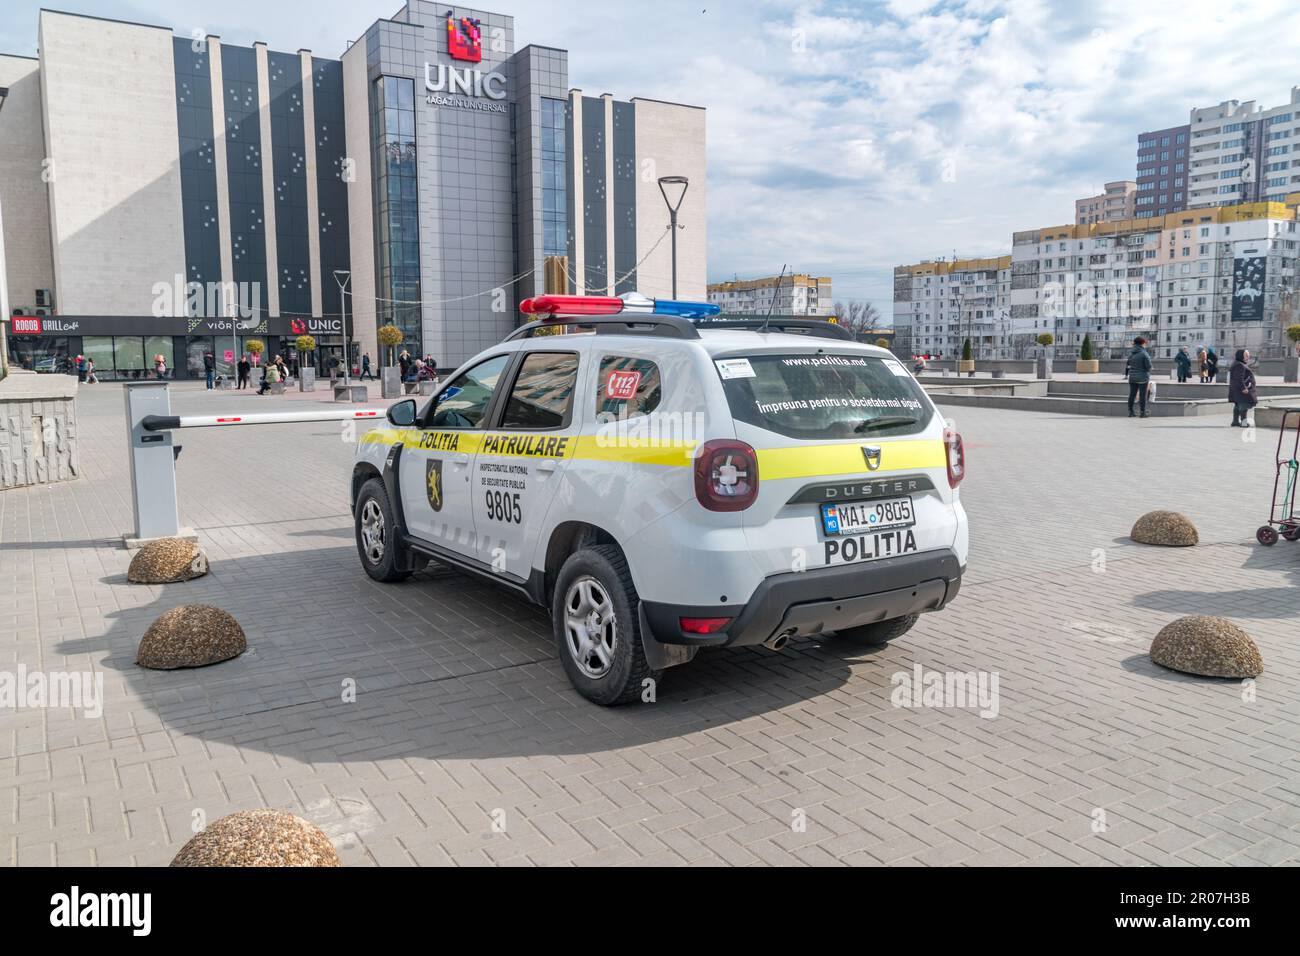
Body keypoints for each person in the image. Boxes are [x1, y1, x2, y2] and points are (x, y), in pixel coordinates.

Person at [1228, 348, 1258, 427]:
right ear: (1241, 356)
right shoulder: (1240, 365)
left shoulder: (1237, 363)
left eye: (1248, 356)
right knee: (1243, 406)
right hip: (1241, 391)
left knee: (1238, 405)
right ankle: (1243, 423)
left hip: (1237, 390)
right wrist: (1243, 388)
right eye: (1246, 356)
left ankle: (1235, 421)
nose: (1248, 357)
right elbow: (1238, 378)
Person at [1125, 336, 1152, 418]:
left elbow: (1129, 364)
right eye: (1145, 343)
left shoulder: (1131, 353)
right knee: (1142, 395)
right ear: (1142, 343)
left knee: (1132, 394)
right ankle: (1142, 412)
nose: (1145, 345)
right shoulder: (1144, 353)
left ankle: (1130, 412)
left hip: (1132, 377)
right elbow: (1149, 366)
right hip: (1143, 377)